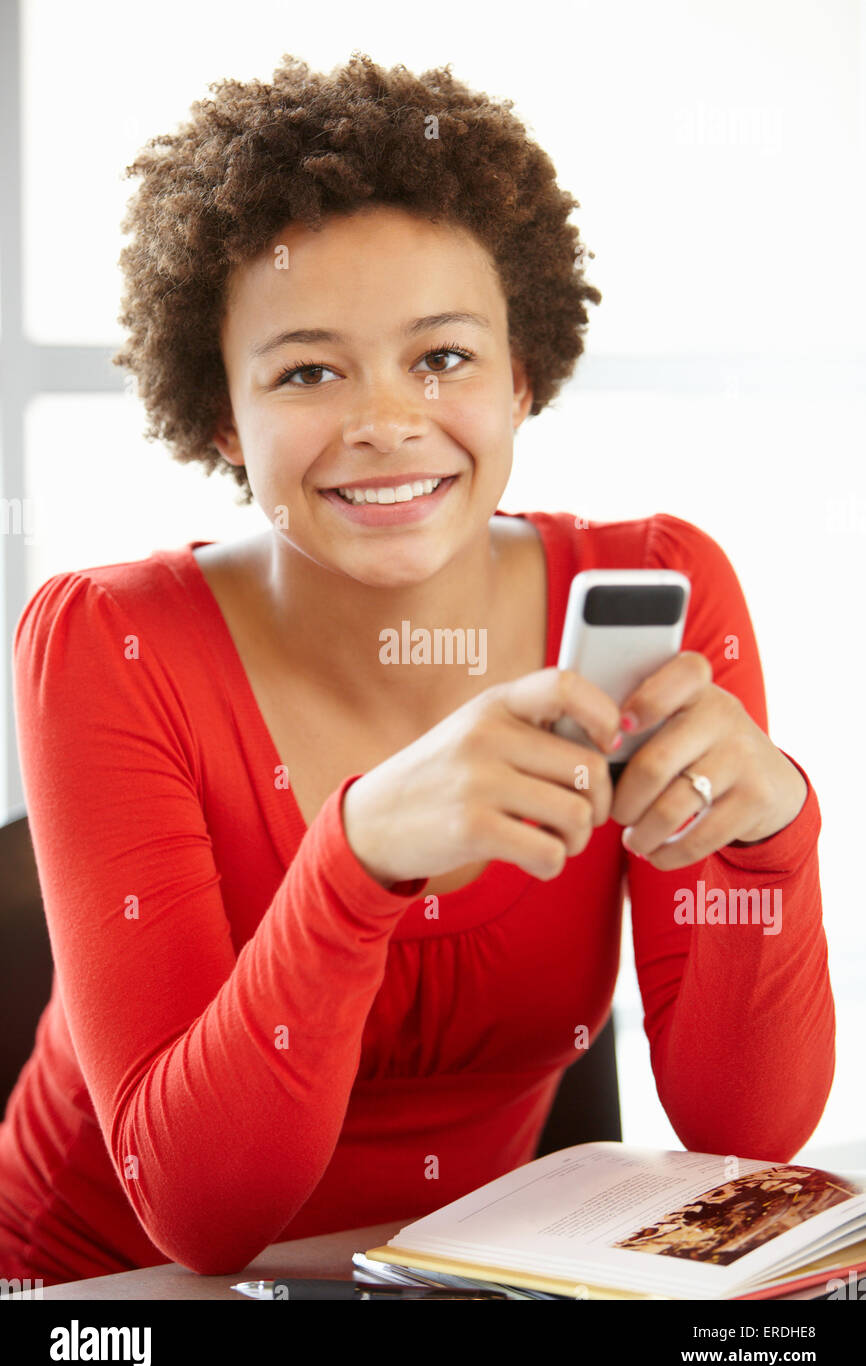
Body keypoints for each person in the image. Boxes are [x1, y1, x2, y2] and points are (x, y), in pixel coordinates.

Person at [0, 52, 833, 1287]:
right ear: (223, 414)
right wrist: (357, 861)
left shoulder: (663, 584)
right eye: (306, 370)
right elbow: (201, 1217)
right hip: (109, 1293)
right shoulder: (107, 641)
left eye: (441, 357)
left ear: (521, 374)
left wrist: (771, 845)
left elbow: (742, 1135)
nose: (385, 419)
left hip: (447, 1285)